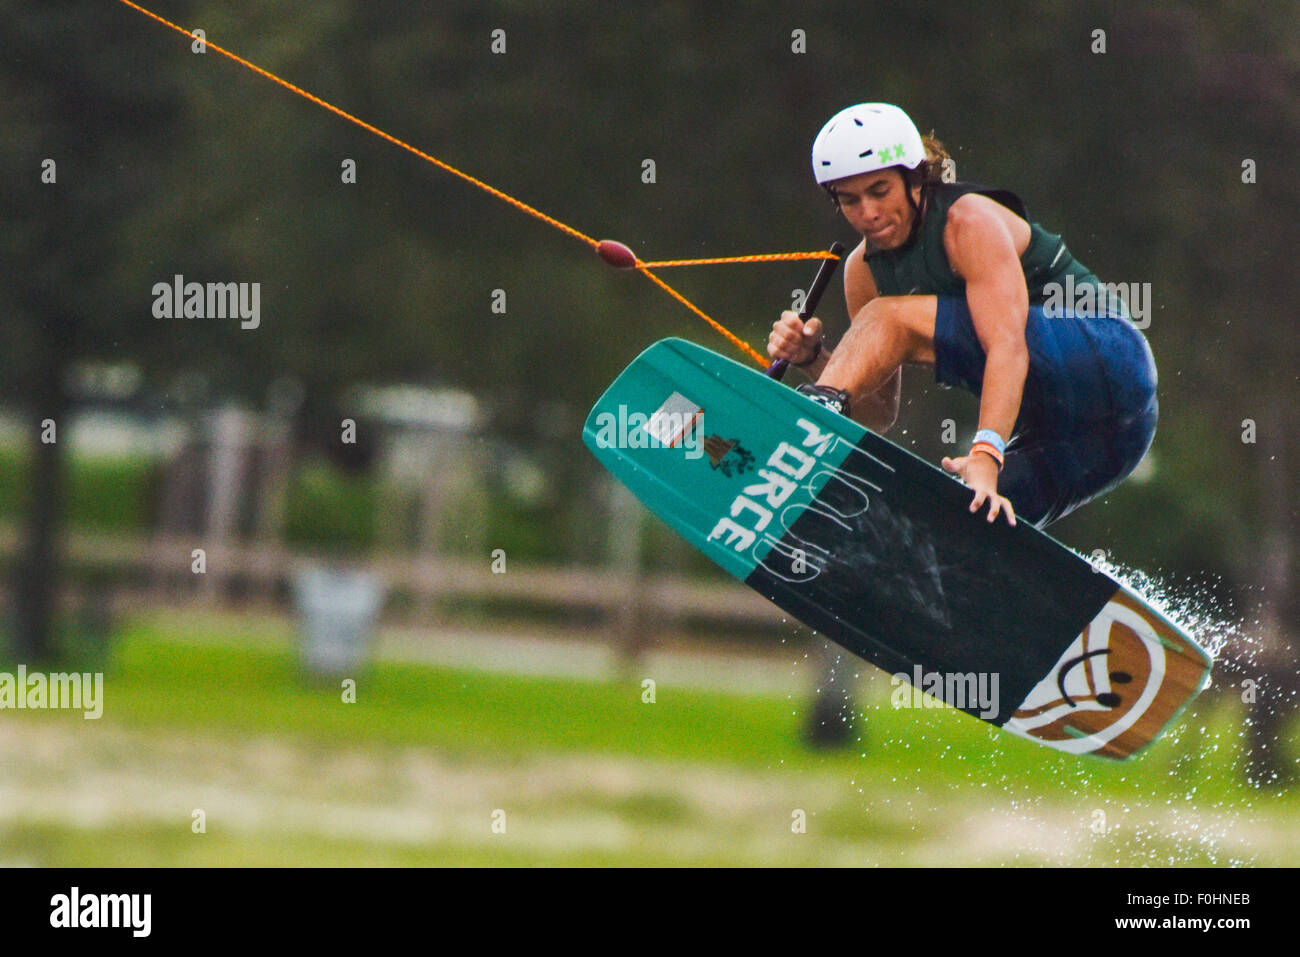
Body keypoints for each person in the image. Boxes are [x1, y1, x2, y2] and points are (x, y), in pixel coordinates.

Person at [768, 103, 1158, 529]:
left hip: (1109, 360)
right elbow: (877, 413)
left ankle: (805, 427)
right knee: (957, 523)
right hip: (1108, 439)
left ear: (915, 178)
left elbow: (1007, 348)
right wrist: (812, 359)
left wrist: (985, 455)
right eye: (849, 200)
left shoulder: (967, 221)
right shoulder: (862, 270)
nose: (868, 213)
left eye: (880, 191)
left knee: (889, 318)